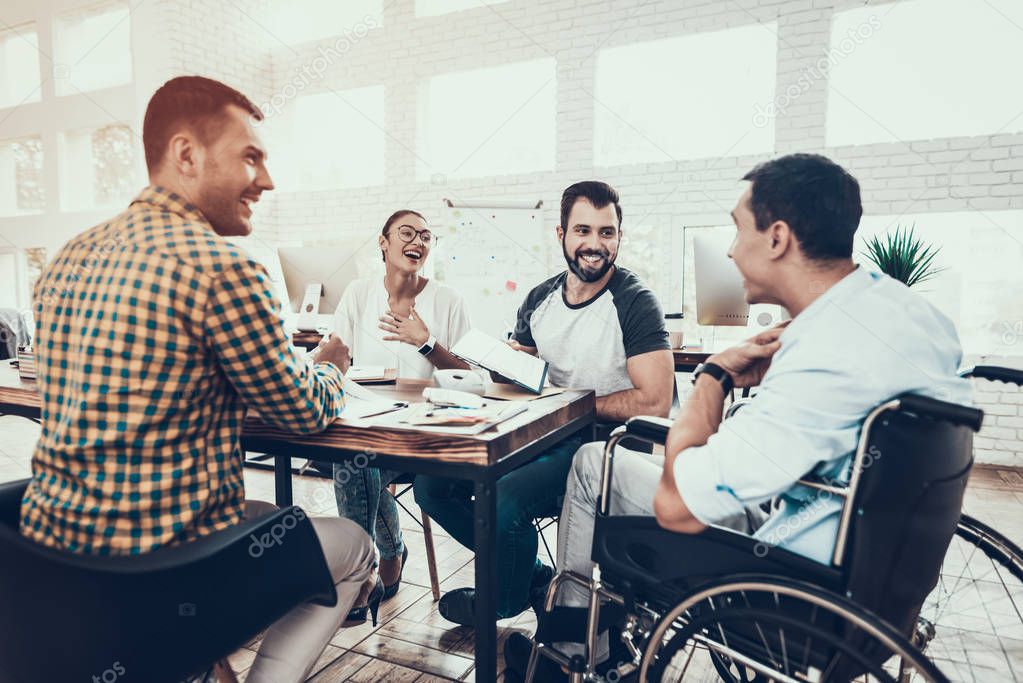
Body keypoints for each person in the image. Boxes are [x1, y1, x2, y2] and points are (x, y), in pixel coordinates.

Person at [503, 153, 973, 680]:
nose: (729, 249)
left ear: (776, 239)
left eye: (736, 230)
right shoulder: (912, 314)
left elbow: (678, 505)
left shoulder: (818, 351)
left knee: (595, 462)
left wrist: (712, 379)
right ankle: (596, 637)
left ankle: (573, 649)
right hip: (877, 576)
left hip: (787, 580)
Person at [18, 75, 378, 683]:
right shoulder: (223, 269)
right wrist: (332, 365)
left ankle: (202, 662)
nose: (266, 181)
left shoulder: (66, 260)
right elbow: (304, 412)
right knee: (353, 547)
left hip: (60, 567)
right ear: (186, 155)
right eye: (251, 157)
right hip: (168, 573)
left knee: (261, 512)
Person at [414, 181, 674, 626]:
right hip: (542, 437)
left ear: (619, 236)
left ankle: (501, 601)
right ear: (561, 235)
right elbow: (521, 378)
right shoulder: (540, 299)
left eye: (607, 233)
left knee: (503, 498)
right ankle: (531, 577)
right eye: (583, 231)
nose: (595, 244)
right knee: (432, 485)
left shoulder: (635, 302)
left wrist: (569, 402)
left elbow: (654, 402)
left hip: (604, 450)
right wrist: (506, 364)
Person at [329, 209, 472, 613]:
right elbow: (337, 354)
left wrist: (426, 343)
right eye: (407, 233)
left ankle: (366, 575)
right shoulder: (359, 293)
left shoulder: (447, 300)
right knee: (350, 461)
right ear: (383, 242)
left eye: (426, 236)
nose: (418, 242)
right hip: (369, 430)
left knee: (354, 464)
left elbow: (471, 377)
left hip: (425, 440)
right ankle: (372, 566)